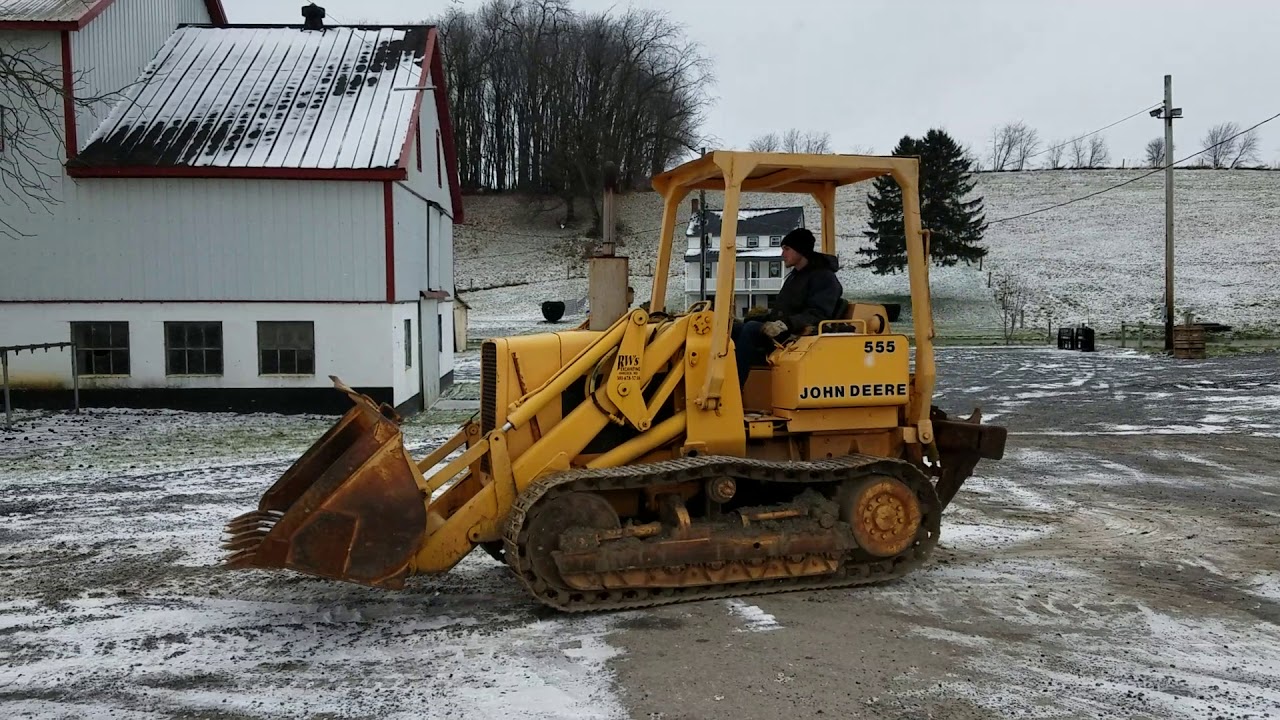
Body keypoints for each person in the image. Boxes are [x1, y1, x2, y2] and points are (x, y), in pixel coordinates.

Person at [732, 227, 843, 386]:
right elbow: (782, 311)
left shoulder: (824, 278)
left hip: (798, 335)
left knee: (750, 330)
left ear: (801, 250)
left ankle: (734, 388)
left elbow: (818, 313)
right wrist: (749, 318)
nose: (783, 254)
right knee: (734, 329)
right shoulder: (796, 276)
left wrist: (785, 325)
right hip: (785, 331)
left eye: (787, 249)